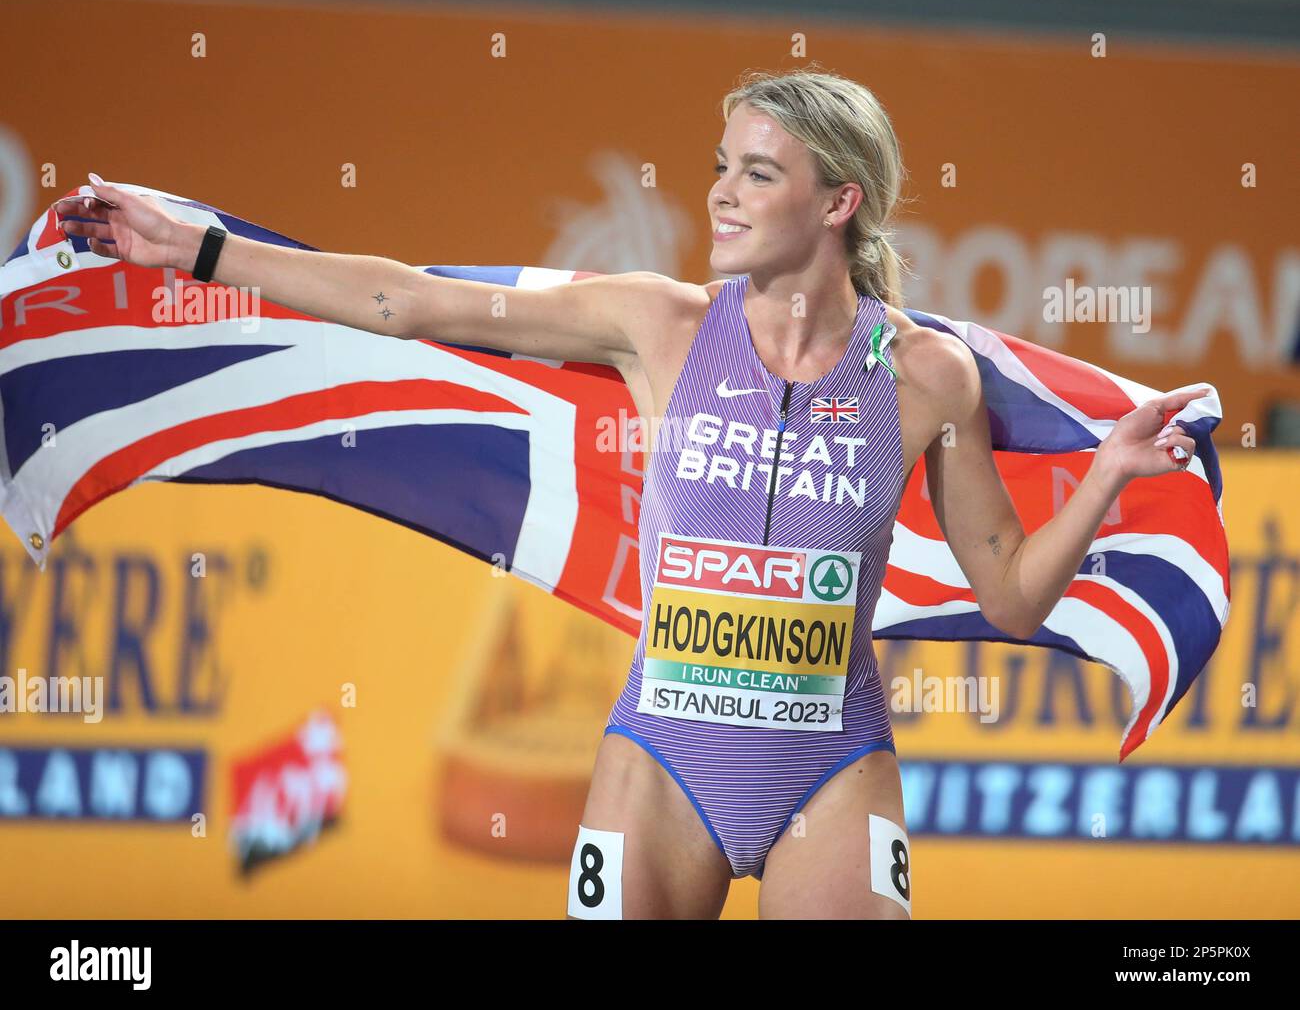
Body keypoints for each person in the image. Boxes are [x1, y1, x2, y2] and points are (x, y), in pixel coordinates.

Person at [55, 67, 1203, 920]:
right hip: (661, 763)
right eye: (721, 164)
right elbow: (408, 301)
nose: (720, 193)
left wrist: (1104, 476)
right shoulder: (656, 321)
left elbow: (1006, 598)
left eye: (758, 172)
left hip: (833, 765)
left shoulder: (927, 376)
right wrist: (203, 248)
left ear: (839, 202)